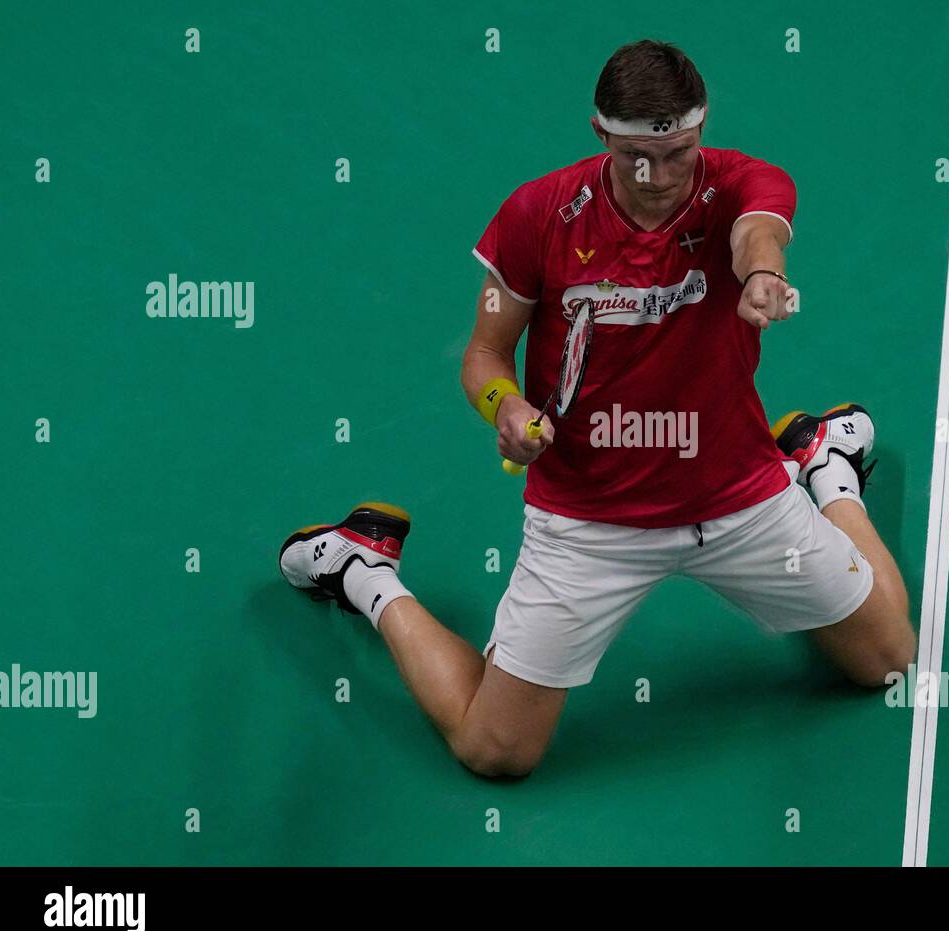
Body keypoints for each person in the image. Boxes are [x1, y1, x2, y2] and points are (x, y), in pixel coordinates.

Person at [279, 40, 915, 778]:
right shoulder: (539, 216)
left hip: (739, 496)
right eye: (644, 155)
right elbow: (484, 358)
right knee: (496, 751)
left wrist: (764, 275)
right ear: (602, 135)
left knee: (888, 660)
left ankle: (825, 469)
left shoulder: (743, 184)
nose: (665, 176)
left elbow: (758, 232)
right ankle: (365, 571)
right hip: (589, 521)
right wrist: (505, 409)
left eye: (682, 151)